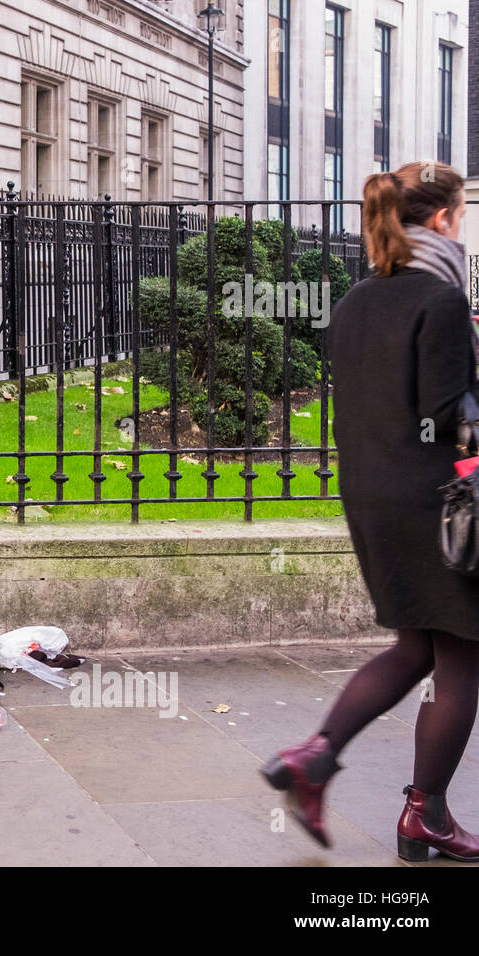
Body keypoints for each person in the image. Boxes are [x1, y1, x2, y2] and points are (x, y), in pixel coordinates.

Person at [263, 161, 479, 863]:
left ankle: (317, 759)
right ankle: (426, 817)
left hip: (372, 498)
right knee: (461, 657)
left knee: (418, 646)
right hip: (439, 504)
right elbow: (449, 417)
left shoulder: (357, 299)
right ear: (444, 220)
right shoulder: (441, 300)